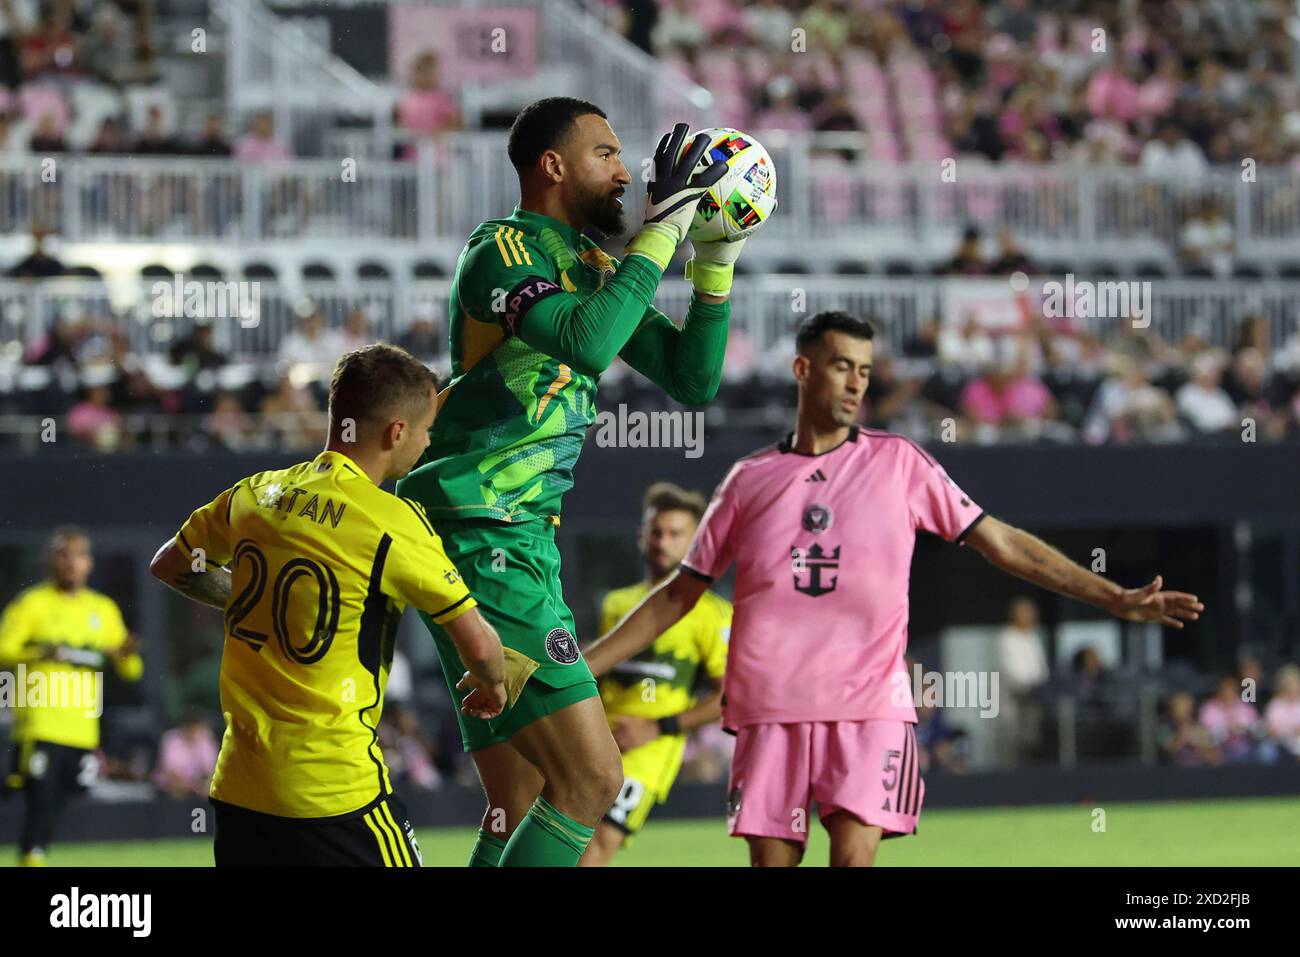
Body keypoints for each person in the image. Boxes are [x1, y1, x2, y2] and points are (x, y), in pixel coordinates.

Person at [583, 310, 1203, 867]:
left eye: (865, 370)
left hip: (868, 706)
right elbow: (674, 597)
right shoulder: (748, 481)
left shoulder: (902, 464)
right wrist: (578, 670)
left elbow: (1004, 543)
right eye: (841, 367)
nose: (856, 383)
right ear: (803, 369)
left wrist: (1113, 597)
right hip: (771, 710)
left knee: (854, 862)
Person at [395, 96, 740, 867]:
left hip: (513, 535)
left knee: (516, 802)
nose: (626, 172)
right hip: (483, 528)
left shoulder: (592, 267)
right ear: (553, 166)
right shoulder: (503, 251)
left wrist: (712, 259)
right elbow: (587, 344)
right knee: (592, 779)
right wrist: (666, 228)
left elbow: (692, 379)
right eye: (607, 155)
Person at [149, 343, 507, 867]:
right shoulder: (391, 522)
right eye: (426, 428)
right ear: (396, 432)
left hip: (241, 789)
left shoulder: (256, 493)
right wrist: (493, 682)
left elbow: (171, 564)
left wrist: (251, 596)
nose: (429, 440)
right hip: (333, 789)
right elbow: (479, 644)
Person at [579, 482, 731, 866]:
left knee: (595, 846)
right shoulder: (616, 603)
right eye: (656, 531)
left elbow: (731, 697)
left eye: (676, 533)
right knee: (564, 840)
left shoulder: (711, 614)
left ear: (696, 541)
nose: (663, 542)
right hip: (596, 738)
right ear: (641, 536)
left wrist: (656, 728)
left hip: (648, 751)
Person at [0, 527, 143, 866]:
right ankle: (32, 856)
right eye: (62, 554)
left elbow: (131, 670)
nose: (70, 562)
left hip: (82, 728)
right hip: (41, 724)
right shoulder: (33, 604)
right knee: (41, 802)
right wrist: (39, 654)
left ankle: (30, 839)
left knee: (56, 802)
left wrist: (126, 653)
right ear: (50, 561)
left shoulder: (102, 609)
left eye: (78, 554)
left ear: (89, 563)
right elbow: (4, 650)